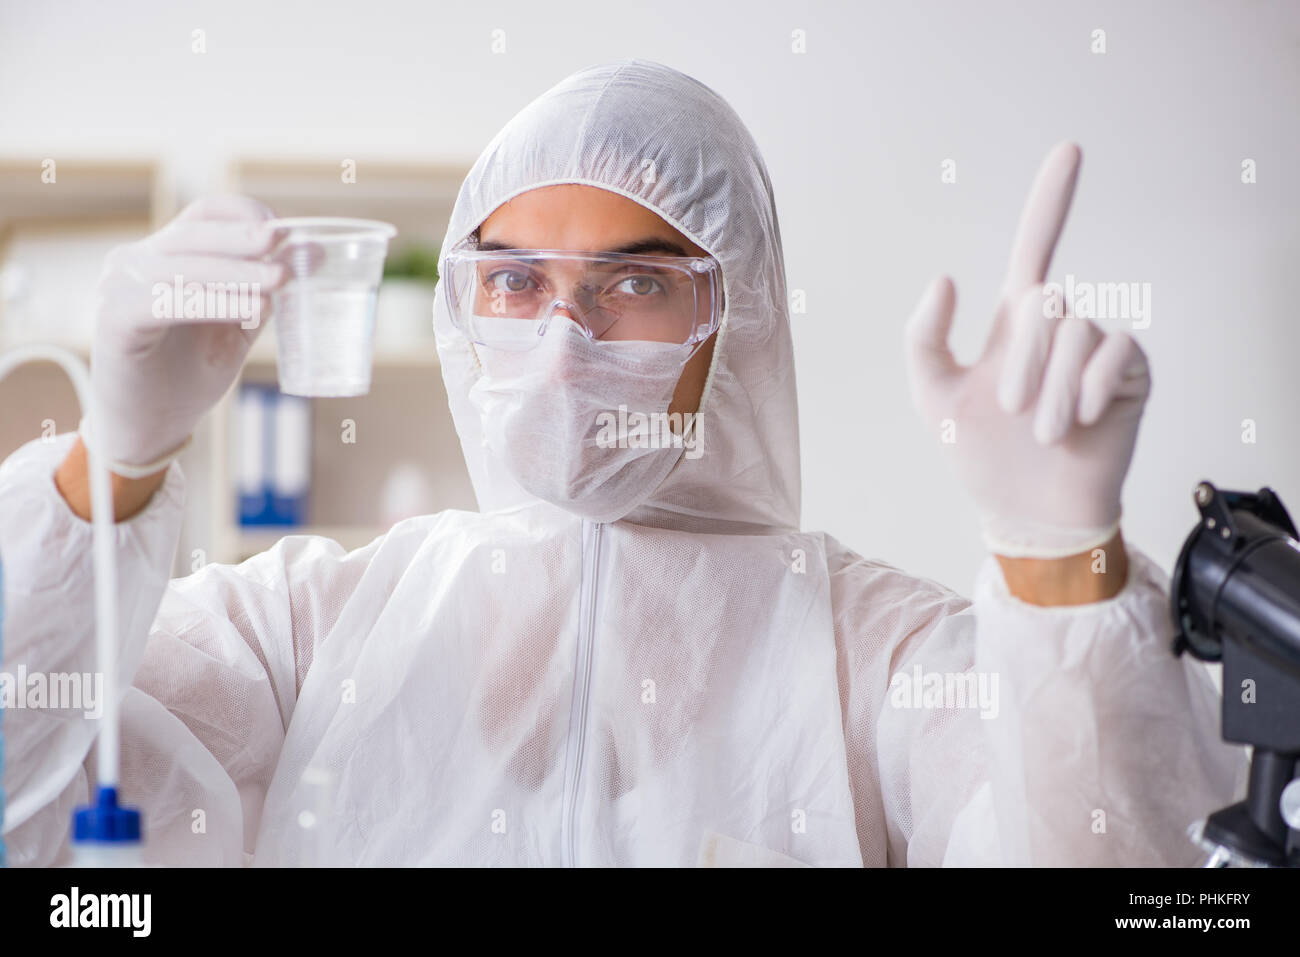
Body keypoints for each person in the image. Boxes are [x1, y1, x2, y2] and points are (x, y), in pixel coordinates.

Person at [0, 58, 1241, 866]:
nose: (561, 338)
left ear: (736, 316)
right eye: (516, 281)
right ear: (462, 306)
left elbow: (1128, 875)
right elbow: (36, 816)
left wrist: (1059, 571)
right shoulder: (310, 628)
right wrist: (108, 470)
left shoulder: (881, 658)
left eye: (637, 281)